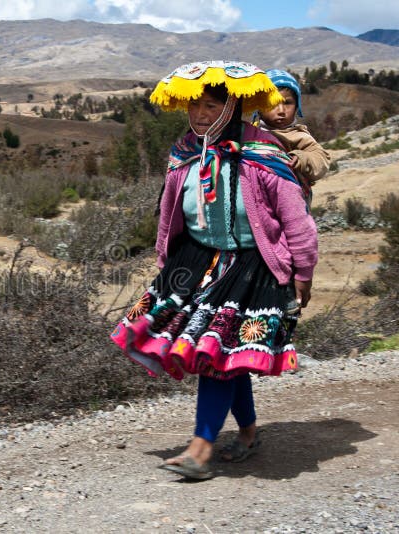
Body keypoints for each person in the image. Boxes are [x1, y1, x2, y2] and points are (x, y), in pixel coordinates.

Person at [109, 61, 318, 480]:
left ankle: (201, 449)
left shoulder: (264, 156)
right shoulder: (186, 151)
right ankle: (248, 433)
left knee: (212, 356)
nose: (200, 115)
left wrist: (302, 273)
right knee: (222, 355)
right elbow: (170, 212)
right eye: (194, 107)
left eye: (209, 106)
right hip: (196, 263)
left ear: (234, 107)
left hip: (249, 268)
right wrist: (165, 259)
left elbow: (297, 221)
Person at [257, 69, 330, 197]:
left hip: (294, 201)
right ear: (258, 107)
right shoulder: (250, 134)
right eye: (272, 103)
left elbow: (321, 159)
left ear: (297, 107)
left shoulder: (299, 136)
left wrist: (302, 159)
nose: (281, 110)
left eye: (287, 103)